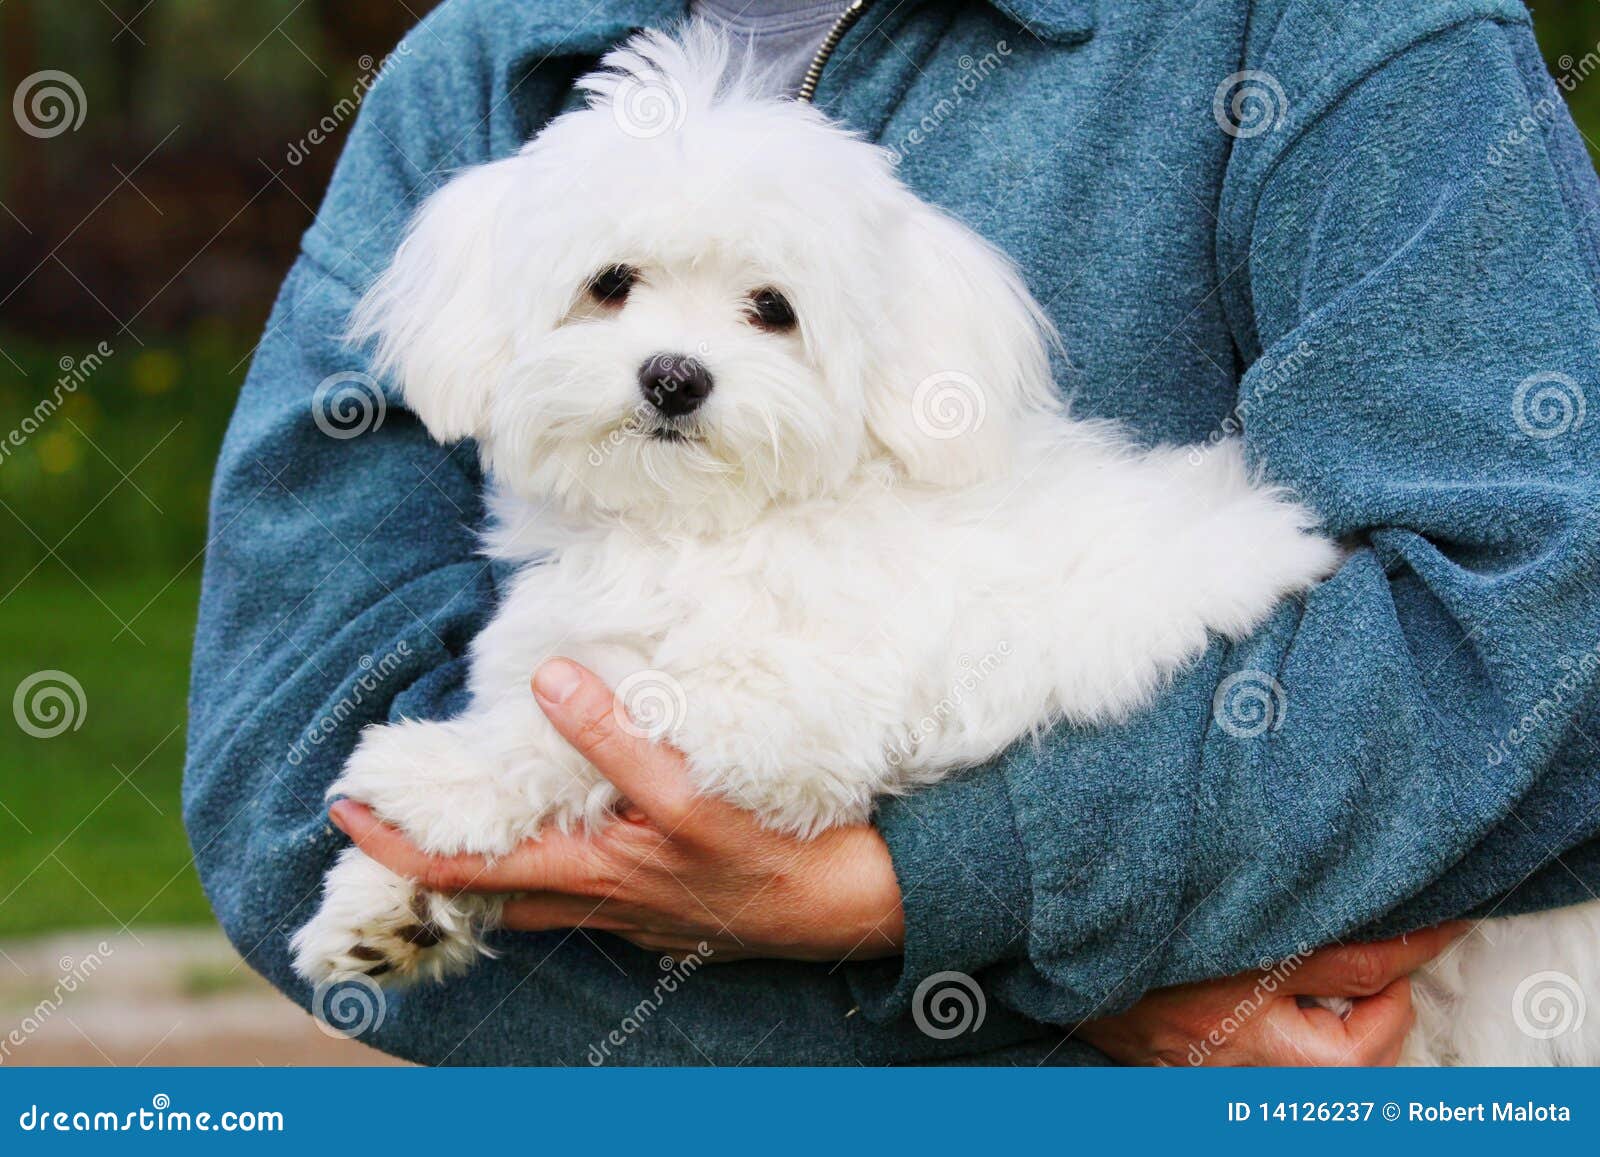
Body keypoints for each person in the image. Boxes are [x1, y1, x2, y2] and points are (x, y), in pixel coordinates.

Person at [184, 0, 1600, 1066]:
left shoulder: (1339, 34)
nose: (674, 360)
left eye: (769, 310)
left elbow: (1531, 625)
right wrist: (1074, 1000)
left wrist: (930, 893)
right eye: (612, 287)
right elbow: (288, 781)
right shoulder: (482, 67)